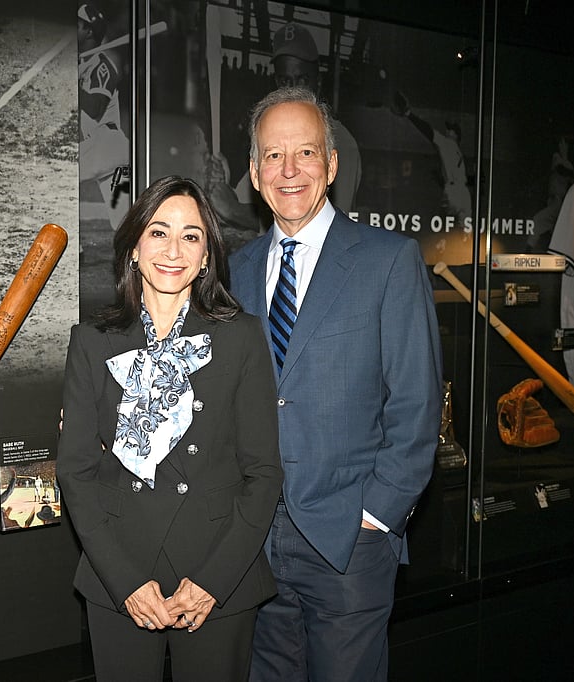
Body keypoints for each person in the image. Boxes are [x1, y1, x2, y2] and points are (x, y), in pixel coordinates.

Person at [227, 87, 442, 681]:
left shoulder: (388, 260)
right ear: (253, 171)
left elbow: (417, 406)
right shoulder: (235, 272)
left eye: (305, 153)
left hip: (350, 545)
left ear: (333, 163)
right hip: (255, 547)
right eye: (273, 156)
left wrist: (377, 515)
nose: (289, 171)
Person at [58, 175, 283, 681]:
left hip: (214, 569)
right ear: (134, 246)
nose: (173, 250)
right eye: (159, 232)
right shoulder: (91, 341)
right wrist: (125, 582)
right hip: (119, 569)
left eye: (191, 235)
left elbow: (264, 472)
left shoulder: (241, 337)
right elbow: (75, 471)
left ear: (207, 256)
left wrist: (212, 581)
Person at [210, 21, 362, 233]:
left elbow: (320, 225)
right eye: (284, 80)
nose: (292, 89)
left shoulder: (340, 141)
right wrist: (221, 181)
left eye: (302, 79)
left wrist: (232, 209)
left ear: (317, 81)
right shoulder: (272, 139)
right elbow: (240, 204)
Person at [77, 2, 131, 232]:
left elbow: (94, 109)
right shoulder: (84, 62)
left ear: (89, 31)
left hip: (104, 145)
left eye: (77, 25)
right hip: (109, 152)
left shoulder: (104, 64)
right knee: (125, 225)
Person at [391, 90, 472, 224]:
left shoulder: (448, 144)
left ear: (456, 136)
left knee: (440, 227)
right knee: (466, 233)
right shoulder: (458, 152)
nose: (447, 131)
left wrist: (409, 115)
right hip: (464, 195)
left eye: (450, 129)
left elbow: (428, 131)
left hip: (452, 192)